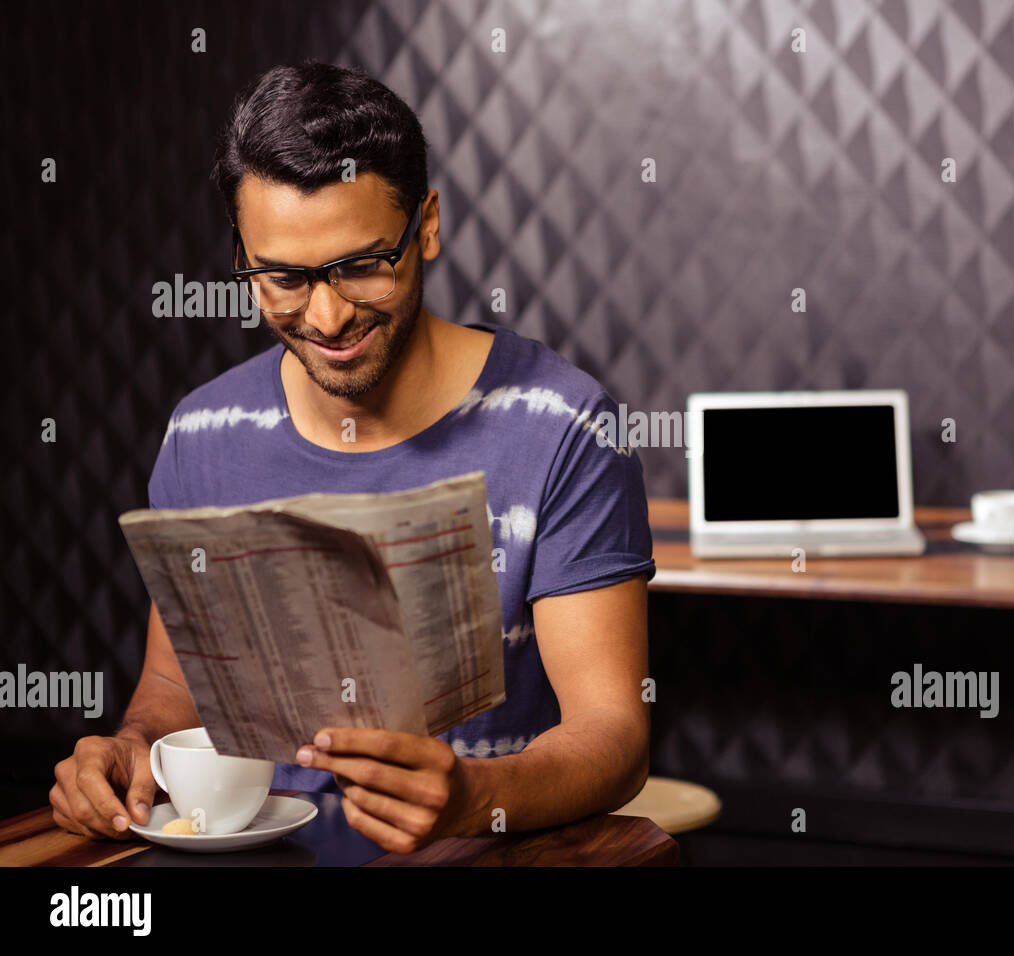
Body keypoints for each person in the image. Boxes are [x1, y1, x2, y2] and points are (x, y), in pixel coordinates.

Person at [49, 62, 655, 853]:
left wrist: (477, 796)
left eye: (363, 264)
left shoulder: (564, 427)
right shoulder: (202, 433)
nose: (327, 317)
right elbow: (173, 690)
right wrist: (131, 749)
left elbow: (615, 733)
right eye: (283, 278)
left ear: (427, 225)